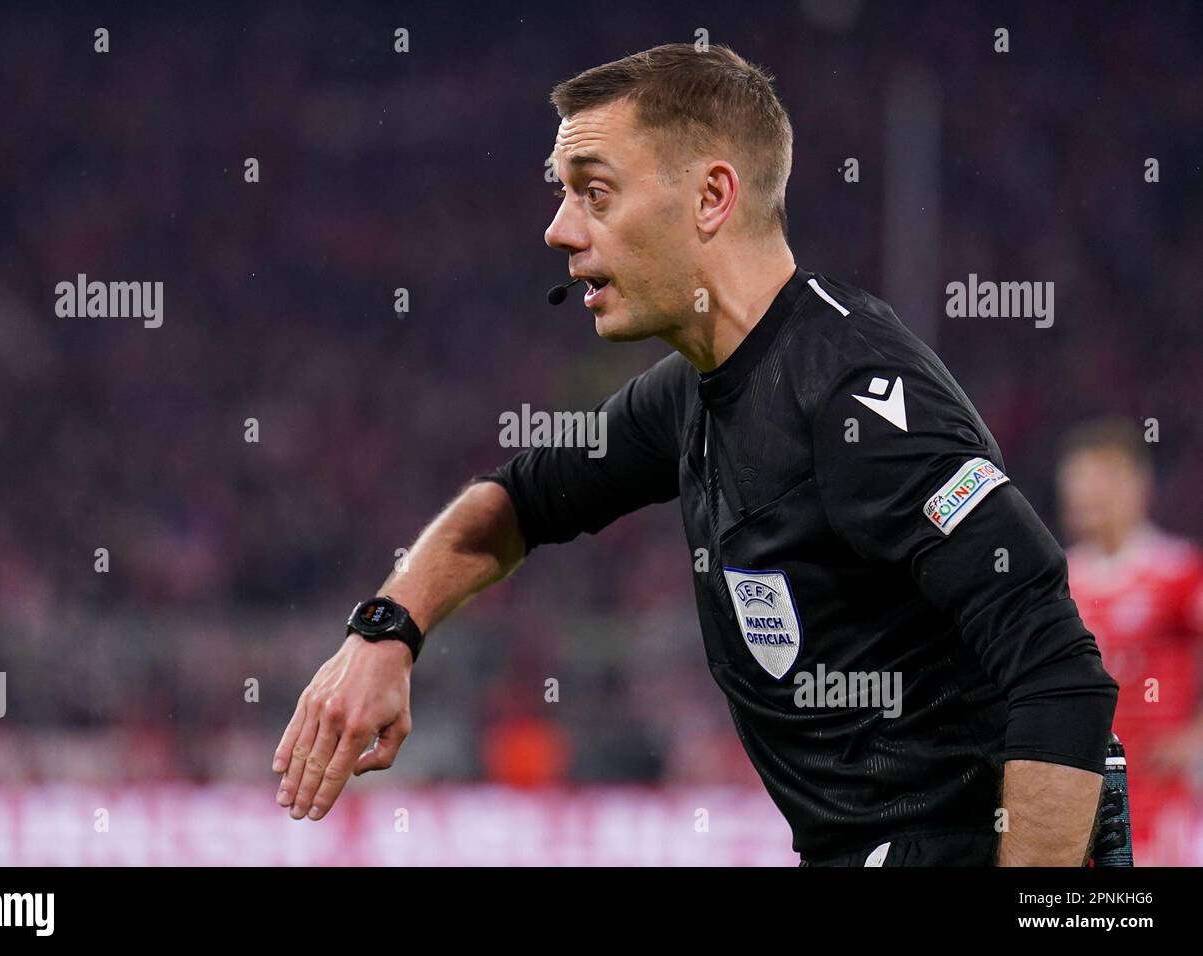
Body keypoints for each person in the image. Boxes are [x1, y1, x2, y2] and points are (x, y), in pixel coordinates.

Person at [272, 43, 1118, 866]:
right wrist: (386, 632)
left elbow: (1059, 673)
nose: (559, 230)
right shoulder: (691, 394)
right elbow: (517, 502)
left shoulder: (858, 398)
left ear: (713, 196)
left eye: (594, 193)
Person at [1059, 419, 1203, 864]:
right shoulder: (1059, 581)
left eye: (1100, 481)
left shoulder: (1178, 571)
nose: (1089, 497)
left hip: (1166, 802)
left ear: (1136, 485)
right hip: (1088, 801)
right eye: (1079, 484)